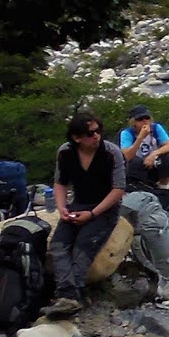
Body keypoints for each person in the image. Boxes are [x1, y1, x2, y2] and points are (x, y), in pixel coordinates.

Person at [43, 110, 127, 316]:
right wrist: (62, 207)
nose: (96, 136)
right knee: (58, 246)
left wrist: (93, 213)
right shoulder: (65, 152)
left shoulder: (111, 153)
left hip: (105, 207)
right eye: (90, 134)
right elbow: (60, 182)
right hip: (78, 203)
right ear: (76, 137)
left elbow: (118, 189)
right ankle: (70, 295)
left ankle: (68, 296)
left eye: (98, 131)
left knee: (84, 246)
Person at [119, 105, 169, 187]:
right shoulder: (127, 133)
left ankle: (163, 186)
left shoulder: (156, 128)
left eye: (147, 118)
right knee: (134, 162)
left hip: (153, 163)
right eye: (140, 119)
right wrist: (140, 138)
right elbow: (127, 156)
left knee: (167, 159)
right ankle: (140, 185)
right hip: (137, 168)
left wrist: (154, 154)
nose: (144, 121)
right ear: (134, 122)